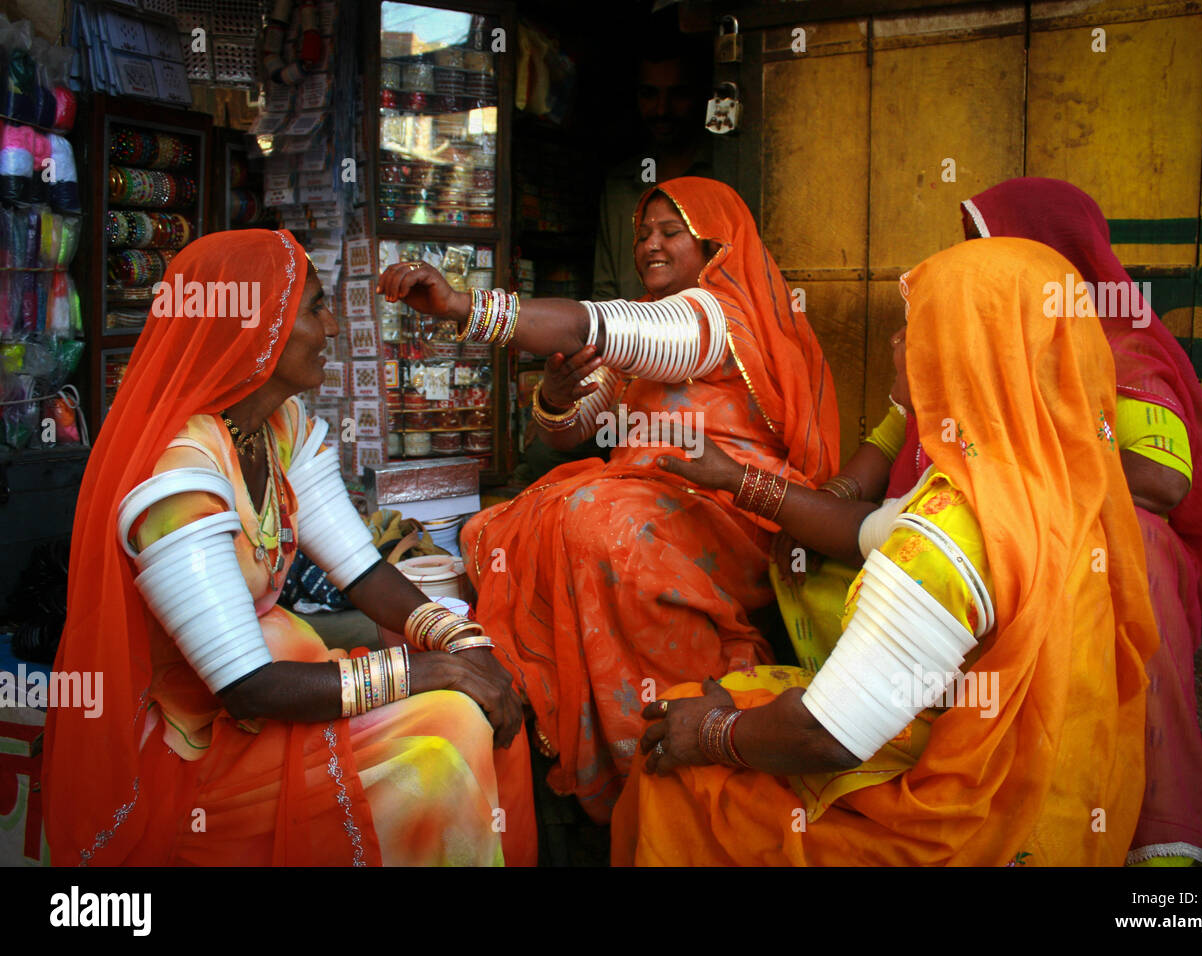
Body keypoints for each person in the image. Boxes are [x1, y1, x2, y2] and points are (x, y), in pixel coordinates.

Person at [610, 237, 1161, 866]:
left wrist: (710, 734)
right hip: (1055, 802)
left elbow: (826, 735)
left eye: (913, 326)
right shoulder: (1061, 486)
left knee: (678, 768)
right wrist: (736, 479)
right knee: (743, 689)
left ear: (963, 352)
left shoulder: (945, 536)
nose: (898, 343)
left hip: (963, 831)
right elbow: (864, 528)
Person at [43, 229, 536, 866]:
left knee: (474, 694)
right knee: (450, 729)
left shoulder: (278, 428)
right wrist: (430, 671)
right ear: (253, 328)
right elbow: (246, 686)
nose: (331, 326)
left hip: (278, 684)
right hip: (206, 739)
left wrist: (460, 642)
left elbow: (360, 571)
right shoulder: (175, 482)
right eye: (313, 308)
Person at [375, 177, 839, 821]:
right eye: (642, 234)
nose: (650, 244)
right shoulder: (650, 335)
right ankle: (580, 712)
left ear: (713, 246)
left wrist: (461, 306)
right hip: (659, 498)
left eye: (669, 232)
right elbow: (574, 429)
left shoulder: (709, 316)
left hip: (732, 512)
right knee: (500, 524)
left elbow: (591, 323)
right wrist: (561, 397)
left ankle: (646, 745)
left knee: (597, 517)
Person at [820, 179, 1202, 865]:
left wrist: (1014, 484)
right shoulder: (961, 346)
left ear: (1048, 257)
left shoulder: (1119, 351)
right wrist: (809, 500)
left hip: (1062, 550)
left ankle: (1164, 826)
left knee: (1136, 539)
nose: (970, 257)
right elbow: (874, 464)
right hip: (962, 545)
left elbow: (1161, 480)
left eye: (987, 241)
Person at [592, 27, 713, 302]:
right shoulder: (620, 187)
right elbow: (605, 293)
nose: (662, 109)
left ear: (703, 95)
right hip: (630, 343)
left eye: (678, 94)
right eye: (649, 94)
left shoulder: (725, 175)